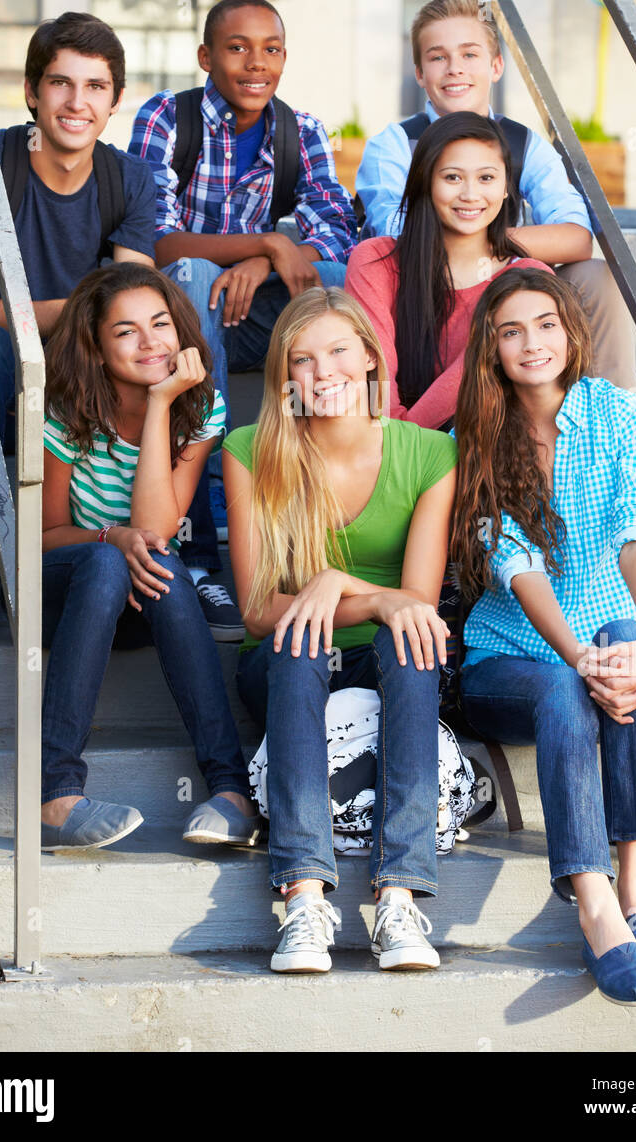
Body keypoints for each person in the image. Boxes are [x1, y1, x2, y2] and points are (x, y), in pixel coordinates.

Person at [356, 0, 636, 540]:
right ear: (419, 72)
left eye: (469, 54)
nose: (454, 68)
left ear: (495, 66)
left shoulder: (522, 145)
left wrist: (485, 236)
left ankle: (619, 469)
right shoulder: (396, 145)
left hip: (498, 292)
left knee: (595, 279)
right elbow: (401, 238)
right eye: (437, 57)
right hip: (421, 301)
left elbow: (576, 234)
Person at [451, 265, 636, 1005]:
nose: (532, 343)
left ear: (571, 331)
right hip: (508, 658)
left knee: (627, 648)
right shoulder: (475, 434)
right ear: (491, 348)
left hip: (602, 638)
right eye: (511, 331)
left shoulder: (622, 415)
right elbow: (511, 563)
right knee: (567, 680)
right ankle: (595, 904)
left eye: (546, 324)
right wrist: (576, 656)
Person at [223, 287, 457, 973]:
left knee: (413, 644)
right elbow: (260, 610)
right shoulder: (250, 449)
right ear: (284, 375)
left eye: (337, 351)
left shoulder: (429, 454)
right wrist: (351, 598)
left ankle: (400, 894)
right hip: (283, 660)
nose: (322, 373)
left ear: (369, 357)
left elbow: (415, 603)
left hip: (385, 656)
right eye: (302, 360)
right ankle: (302, 897)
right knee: (299, 642)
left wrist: (339, 583)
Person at [129, 0, 357, 633]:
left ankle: (337, 503)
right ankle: (201, 547)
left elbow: (336, 225)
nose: (257, 63)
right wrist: (265, 242)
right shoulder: (167, 119)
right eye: (237, 47)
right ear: (206, 56)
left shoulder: (300, 128)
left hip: (250, 311)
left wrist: (266, 260)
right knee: (194, 275)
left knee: (346, 281)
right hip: (182, 315)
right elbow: (158, 240)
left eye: (272, 48)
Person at [0, 12, 156, 647]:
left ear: (114, 101)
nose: (76, 102)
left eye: (95, 87)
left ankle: (180, 554)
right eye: (60, 83)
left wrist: (93, 318)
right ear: (32, 91)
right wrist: (84, 305)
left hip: (77, 381)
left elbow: (134, 317)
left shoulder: (129, 179)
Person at [40, 263, 257, 852]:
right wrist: (110, 539)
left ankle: (231, 793)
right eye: (126, 331)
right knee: (114, 561)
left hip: (142, 592)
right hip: (65, 589)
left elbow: (159, 529)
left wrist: (162, 405)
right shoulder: (63, 409)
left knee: (160, 561)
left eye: (160, 323)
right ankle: (57, 794)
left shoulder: (199, 406)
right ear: (95, 344)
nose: (150, 342)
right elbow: (42, 537)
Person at [346, 111, 550, 429]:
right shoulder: (375, 260)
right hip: (382, 443)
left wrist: (405, 441)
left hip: (486, 447)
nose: (470, 195)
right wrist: (398, 444)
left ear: (507, 187)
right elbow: (373, 374)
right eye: (452, 177)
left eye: (486, 178)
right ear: (425, 182)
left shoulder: (527, 279)